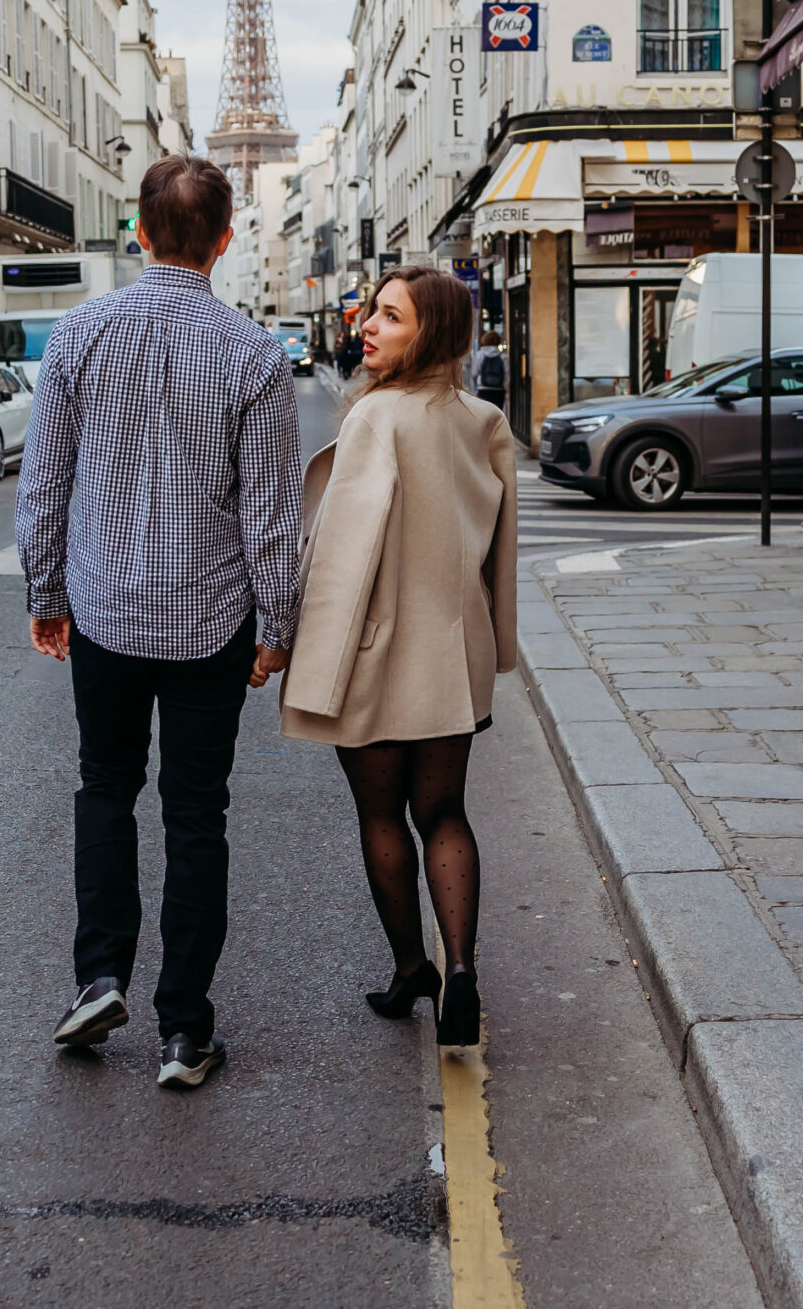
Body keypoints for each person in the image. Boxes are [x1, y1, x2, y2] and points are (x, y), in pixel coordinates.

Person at [16, 155, 302, 1091]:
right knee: (196, 816)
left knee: (104, 788)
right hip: (210, 621)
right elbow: (269, 513)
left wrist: (46, 595)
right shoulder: (257, 354)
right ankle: (185, 1028)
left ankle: (98, 976)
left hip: (103, 609)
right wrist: (278, 625)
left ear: (138, 232)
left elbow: (44, 485)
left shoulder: (80, 334)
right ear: (226, 241)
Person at [279, 268, 517, 1045]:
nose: (368, 326)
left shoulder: (377, 416)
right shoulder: (484, 419)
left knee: (382, 814)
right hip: (457, 651)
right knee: (445, 812)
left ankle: (411, 966)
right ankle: (464, 971)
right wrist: (496, 640)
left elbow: (341, 558)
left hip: (378, 652)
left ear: (432, 334)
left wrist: (296, 655)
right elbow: (501, 556)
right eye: (372, 312)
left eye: (391, 316)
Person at [470, 335, 507, 410]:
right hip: (498, 391)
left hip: (483, 389)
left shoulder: (480, 355)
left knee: (483, 414)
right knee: (497, 415)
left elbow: (474, 374)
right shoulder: (503, 357)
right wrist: (507, 390)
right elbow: (507, 375)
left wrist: (475, 388)